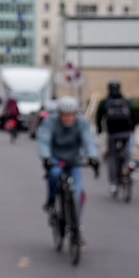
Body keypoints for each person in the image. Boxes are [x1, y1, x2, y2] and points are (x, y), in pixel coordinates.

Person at [37, 96, 99, 239]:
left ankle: (75, 224)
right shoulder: (50, 122)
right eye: (64, 115)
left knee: (77, 193)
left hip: (74, 159)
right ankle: (51, 201)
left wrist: (93, 157)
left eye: (71, 115)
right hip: (56, 158)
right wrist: (46, 158)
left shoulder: (82, 124)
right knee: (54, 174)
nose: (68, 118)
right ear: (59, 114)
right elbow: (44, 141)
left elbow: (89, 141)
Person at [95, 81, 136, 196]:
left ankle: (113, 183)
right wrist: (132, 129)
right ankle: (129, 162)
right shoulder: (125, 101)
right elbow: (134, 116)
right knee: (126, 149)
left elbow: (99, 117)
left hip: (113, 133)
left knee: (112, 157)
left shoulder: (105, 102)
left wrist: (100, 130)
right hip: (126, 132)